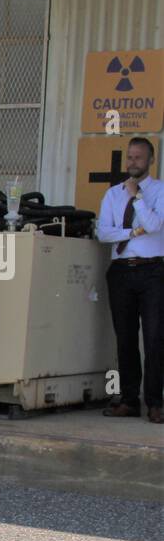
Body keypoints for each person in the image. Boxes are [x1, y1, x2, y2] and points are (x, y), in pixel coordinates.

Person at [97, 136, 163, 424]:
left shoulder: (159, 191)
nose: (132, 162)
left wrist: (137, 197)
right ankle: (128, 400)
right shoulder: (112, 194)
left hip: (152, 272)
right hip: (122, 270)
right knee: (124, 338)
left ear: (150, 160)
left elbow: (154, 225)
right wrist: (132, 234)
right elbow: (104, 233)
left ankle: (155, 403)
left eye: (138, 157)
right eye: (130, 157)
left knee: (154, 338)